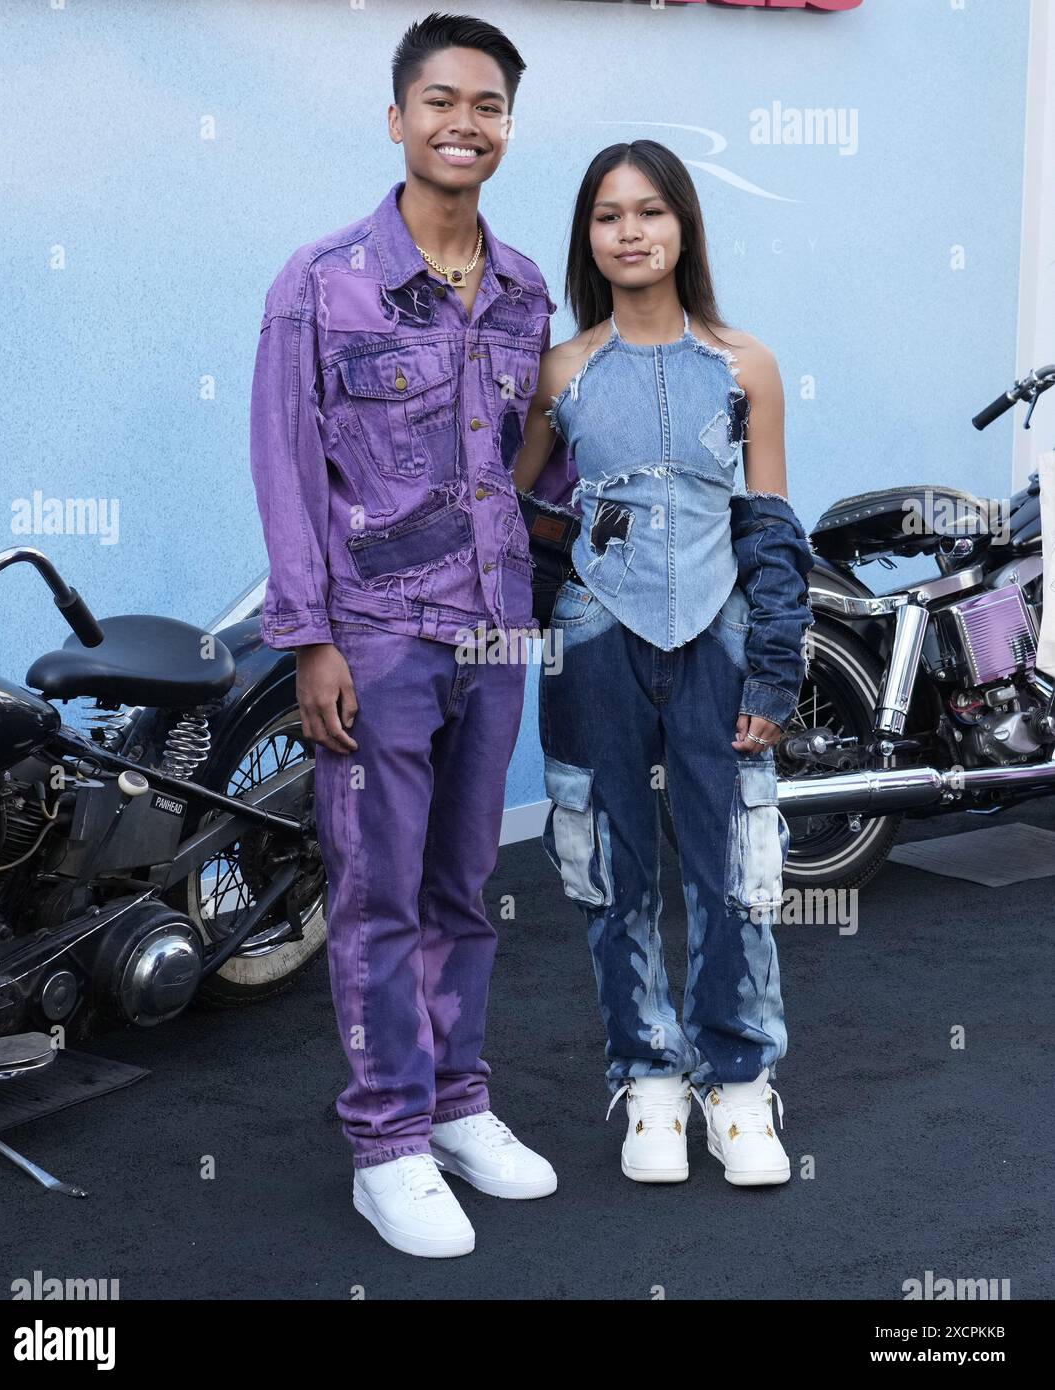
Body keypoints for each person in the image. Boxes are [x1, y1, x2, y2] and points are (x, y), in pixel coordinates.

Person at [249, 12, 560, 1259]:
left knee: (464, 886)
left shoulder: (528, 286)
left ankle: (456, 1101)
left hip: (494, 632)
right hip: (375, 634)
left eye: (486, 105)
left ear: (505, 126)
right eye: (439, 100)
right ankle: (384, 1136)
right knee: (374, 893)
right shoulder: (320, 281)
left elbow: (534, 469)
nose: (462, 124)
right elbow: (283, 468)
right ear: (396, 118)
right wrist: (307, 638)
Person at [513, 140, 816, 1188]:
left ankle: (737, 1088)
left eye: (650, 211)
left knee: (736, 867)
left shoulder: (745, 365)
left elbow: (771, 529)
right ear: (585, 237)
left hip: (718, 643)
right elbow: (520, 519)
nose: (629, 231)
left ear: (683, 226)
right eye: (607, 215)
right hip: (595, 647)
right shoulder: (559, 371)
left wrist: (772, 673)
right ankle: (646, 1081)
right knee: (607, 864)